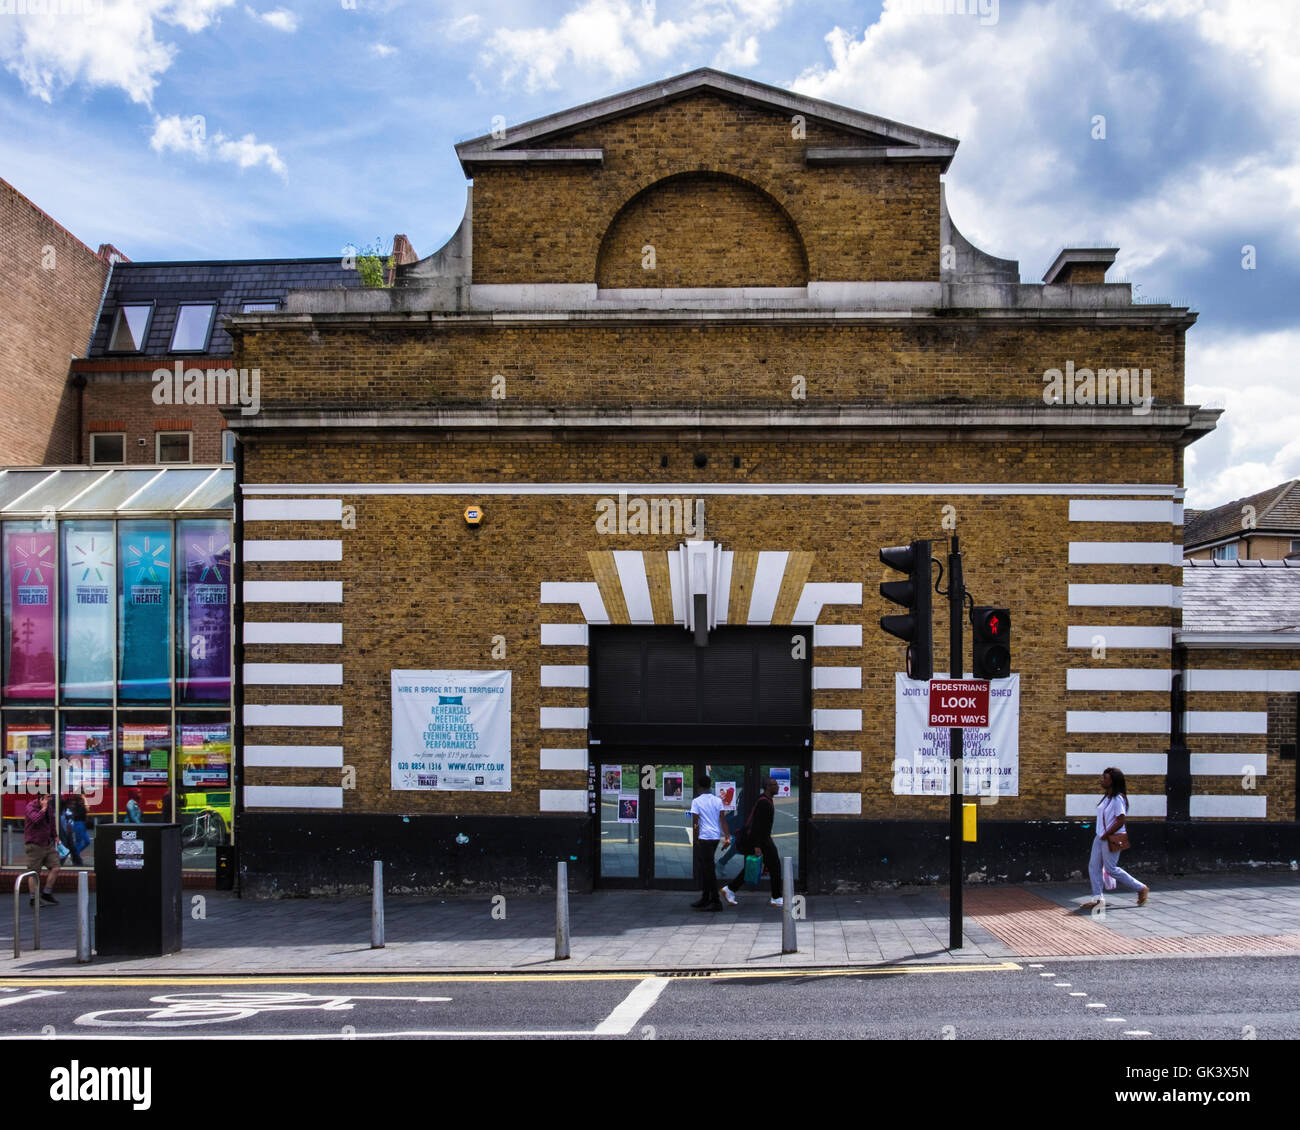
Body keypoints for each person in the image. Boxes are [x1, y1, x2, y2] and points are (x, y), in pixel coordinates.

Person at [1081, 767, 1148, 910]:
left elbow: (1121, 820)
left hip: (1111, 837)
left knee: (1111, 868)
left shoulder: (1118, 798)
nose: (1102, 780)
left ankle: (1140, 888)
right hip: (1100, 837)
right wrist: (1101, 835)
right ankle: (1098, 899)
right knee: (1093, 867)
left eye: (1105, 778)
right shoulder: (1107, 797)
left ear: (1113, 781)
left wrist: (1106, 834)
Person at [720, 777, 783, 907]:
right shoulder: (764, 802)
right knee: (775, 867)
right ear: (767, 787)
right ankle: (776, 898)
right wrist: (757, 846)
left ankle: (730, 889)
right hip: (763, 840)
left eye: (777, 784)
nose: (777, 787)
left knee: (752, 867)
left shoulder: (765, 800)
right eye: (774, 785)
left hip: (763, 839)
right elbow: (758, 826)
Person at [689, 774, 729, 911]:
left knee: (708, 870)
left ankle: (716, 901)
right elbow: (723, 820)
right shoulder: (717, 800)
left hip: (704, 837)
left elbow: (695, 822)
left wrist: (695, 839)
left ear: (699, 786)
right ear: (709, 785)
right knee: (706, 868)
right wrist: (727, 836)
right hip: (715, 837)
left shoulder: (696, 801)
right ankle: (705, 898)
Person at [23, 792, 61, 906]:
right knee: (34, 872)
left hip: (47, 843)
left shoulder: (49, 807)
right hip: (34, 844)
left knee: (56, 867)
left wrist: (55, 835)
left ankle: (46, 892)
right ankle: (33, 899)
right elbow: (35, 819)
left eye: (50, 796)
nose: (50, 798)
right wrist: (43, 808)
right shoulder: (30, 807)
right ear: (41, 798)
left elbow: (51, 823)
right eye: (48, 796)